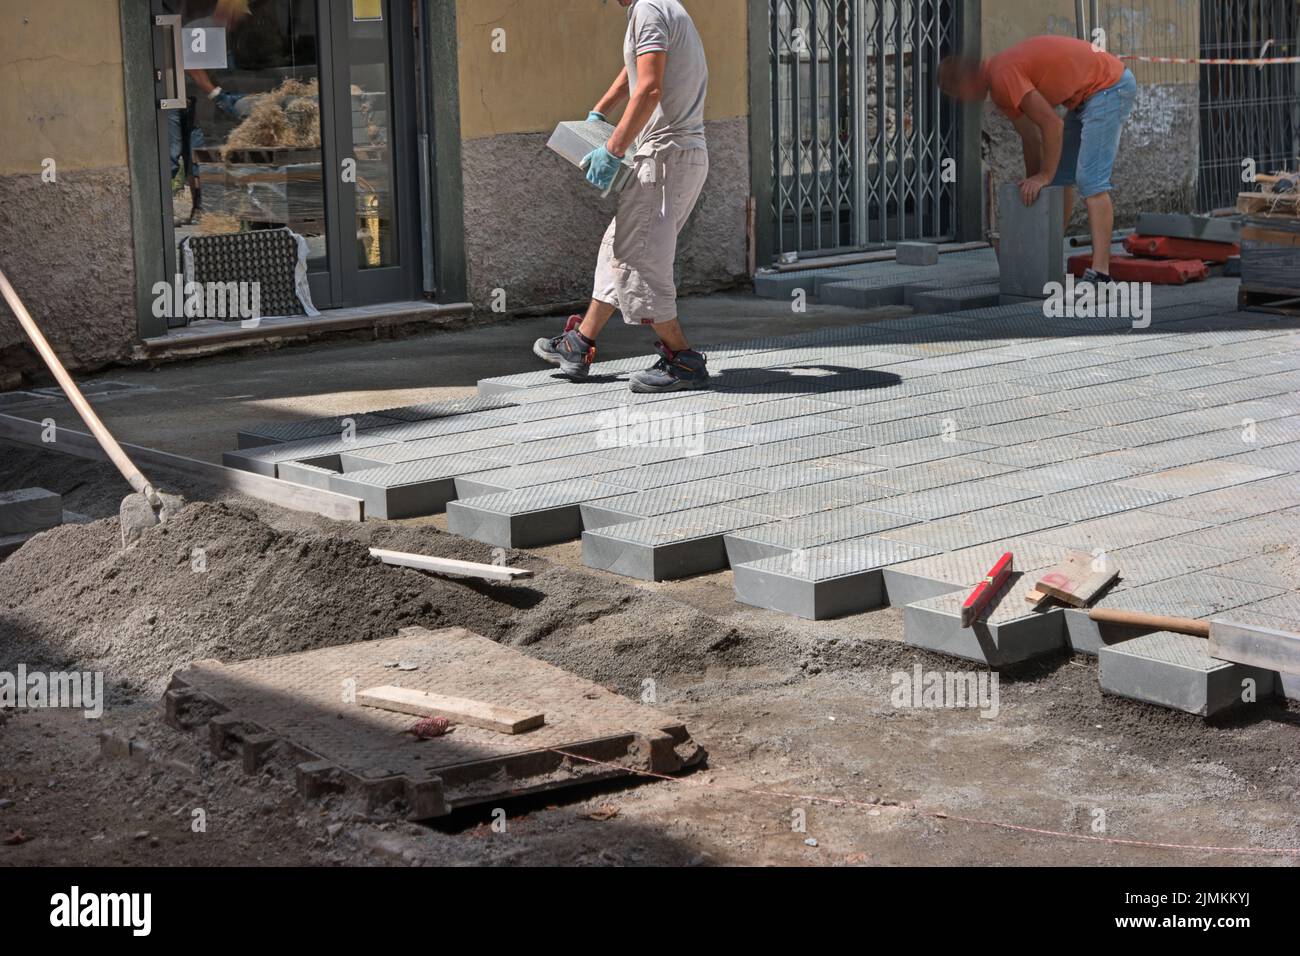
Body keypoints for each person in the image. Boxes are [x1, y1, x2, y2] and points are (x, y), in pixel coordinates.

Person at [533, 0, 711, 393]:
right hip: (676, 157)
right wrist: (600, 110)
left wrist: (612, 150)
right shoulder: (660, 8)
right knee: (618, 249)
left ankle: (683, 360)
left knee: (640, 259)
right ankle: (579, 344)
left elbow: (649, 88)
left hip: (665, 159)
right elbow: (637, 70)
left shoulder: (648, 9)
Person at [940, 35, 1137, 291]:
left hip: (1109, 87)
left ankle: (1101, 274)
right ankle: (1047, 255)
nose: (961, 101)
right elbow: (1031, 137)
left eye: (957, 94)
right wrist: (1033, 188)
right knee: (1060, 178)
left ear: (967, 81)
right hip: (1085, 96)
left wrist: (1043, 175)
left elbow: (1052, 125)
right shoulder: (999, 88)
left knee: (1091, 180)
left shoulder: (1003, 74)